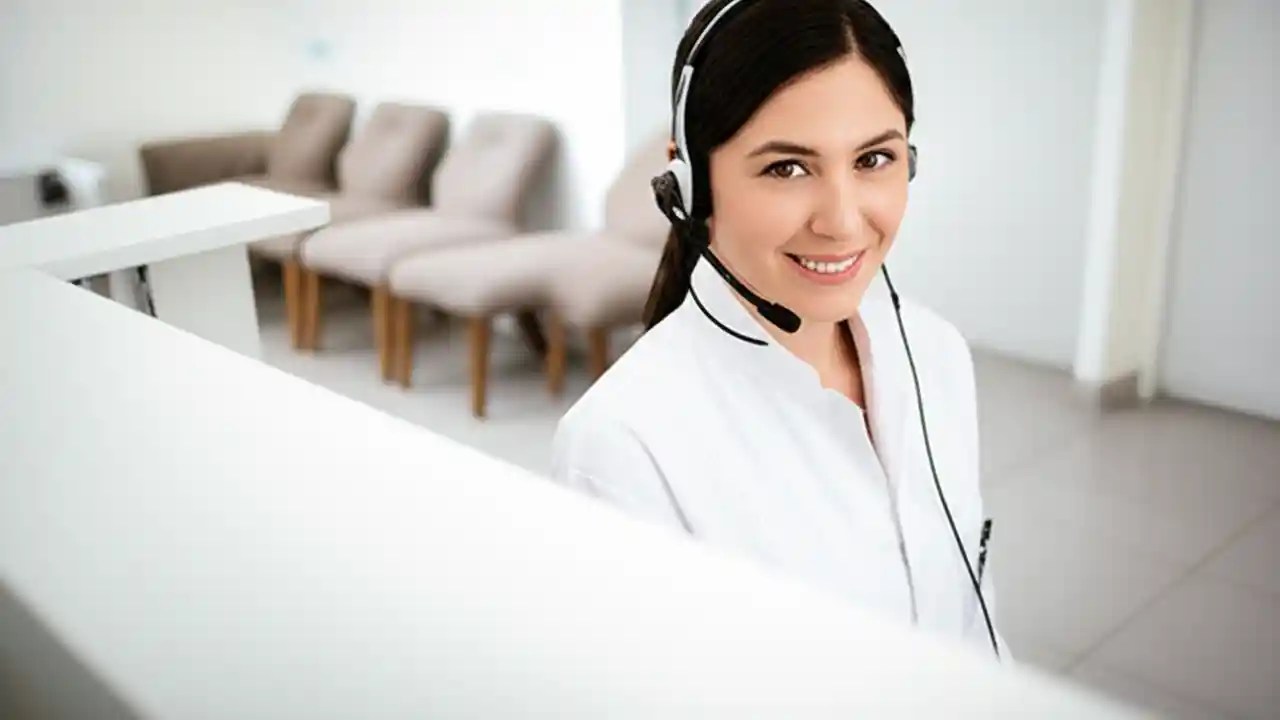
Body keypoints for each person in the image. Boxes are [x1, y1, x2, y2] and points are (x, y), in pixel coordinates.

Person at [552, 0, 1005, 658]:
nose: (843, 222)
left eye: (874, 160)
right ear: (689, 184)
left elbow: (977, 614)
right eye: (786, 168)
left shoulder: (938, 353)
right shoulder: (622, 445)